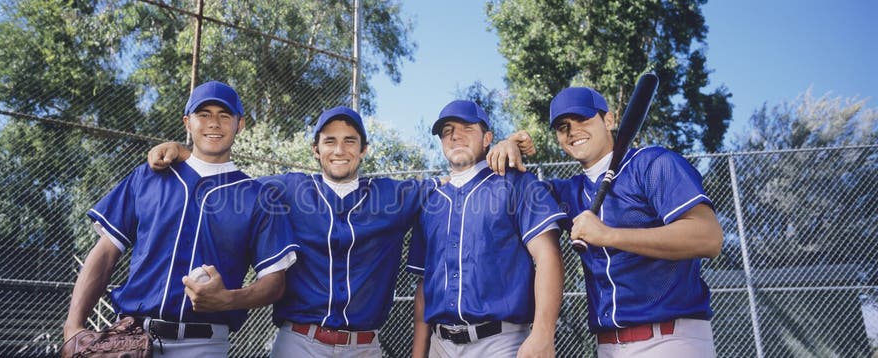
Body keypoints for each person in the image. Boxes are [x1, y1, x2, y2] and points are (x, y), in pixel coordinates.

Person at [148, 106, 537, 357]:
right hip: (298, 342)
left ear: (364, 150)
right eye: (329, 141)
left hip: (364, 346)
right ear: (315, 150)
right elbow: (230, 182)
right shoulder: (286, 189)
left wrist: (501, 144)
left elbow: (459, 183)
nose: (340, 149)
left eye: (350, 141)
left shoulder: (397, 195)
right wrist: (188, 154)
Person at [63, 80, 297, 357]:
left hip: (204, 344)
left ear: (240, 124)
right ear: (187, 122)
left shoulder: (258, 198)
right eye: (203, 114)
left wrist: (227, 300)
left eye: (224, 115)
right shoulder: (149, 176)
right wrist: (73, 327)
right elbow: (105, 252)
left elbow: (274, 283)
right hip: (131, 337)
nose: (214, 123)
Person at [488, 86, 724, 357]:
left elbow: (708, 237)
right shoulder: (569, 191)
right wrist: (505, 149)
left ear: (609, 121)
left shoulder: (652, 163)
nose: (572, 131)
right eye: (563, 126)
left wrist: (609, 235)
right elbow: (508, 196)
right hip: (608, 345)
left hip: (670, 339)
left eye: (583, 119)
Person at [406, 100, 567, 358]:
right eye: (447, 130)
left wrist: (543, 334)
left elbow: (548, 257)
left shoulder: (516, 182)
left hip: (500, 343)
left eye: (466, 128)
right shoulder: (430, 202)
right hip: (439, 345)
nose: (455, 135)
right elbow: (425, 287)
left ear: (487, 138)